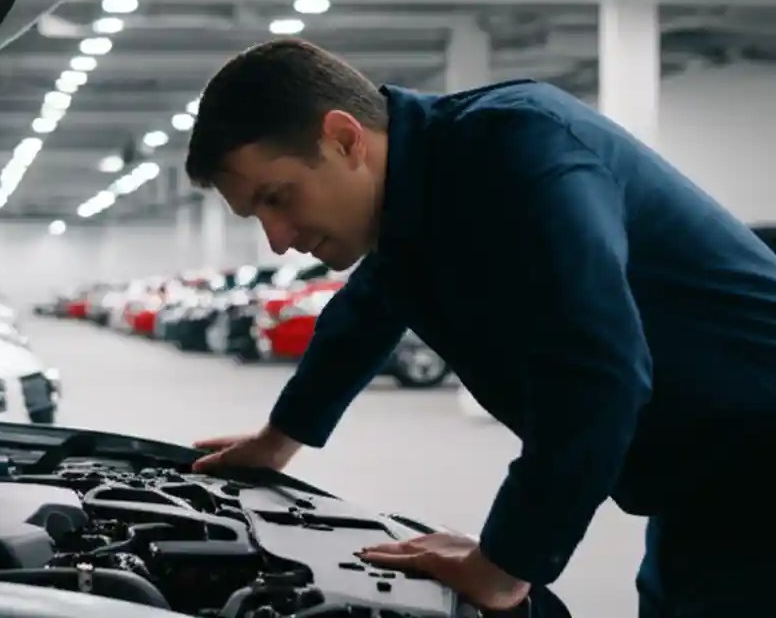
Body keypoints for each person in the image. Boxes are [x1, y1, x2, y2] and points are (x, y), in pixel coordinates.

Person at [183, 38, 776, 616]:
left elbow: (598, 372)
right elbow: (365, 312)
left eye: (278, 198)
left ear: (344, 139)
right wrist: (279, 439)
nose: (279, 239)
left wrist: (503, 563)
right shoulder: (420, 197)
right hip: (707, 485)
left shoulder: (523, 148)